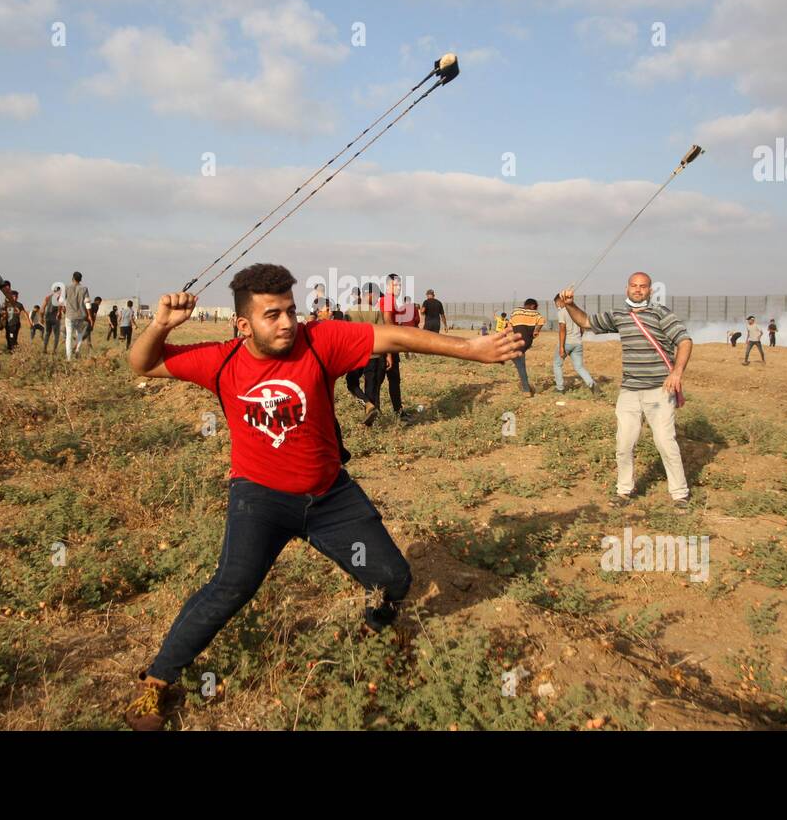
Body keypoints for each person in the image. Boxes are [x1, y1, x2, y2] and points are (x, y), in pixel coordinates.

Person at [121, 263, 524, 730]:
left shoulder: (319, 340)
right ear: (243, 324)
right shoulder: (221, 360)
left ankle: (373, 632)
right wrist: (159, 326)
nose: (288, 322)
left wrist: (470, 349)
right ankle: (157, 681)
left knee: (394, 580)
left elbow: (391, 338)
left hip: (330, 497)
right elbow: (143, 364)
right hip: (260, 499)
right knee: (231, 588)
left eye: (290, 310)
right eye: (272, 314)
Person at [558, 272, 692, 507]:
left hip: (659, 390)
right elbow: (586, 322)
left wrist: (677, 372)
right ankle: (623, 491)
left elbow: (684, 341)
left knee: (665, 442)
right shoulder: (619, 315)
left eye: (643, 286)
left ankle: (680, 495)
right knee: (624, 444)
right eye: (634, 285)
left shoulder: (661, 313)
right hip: (629, 390)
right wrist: (570, 305)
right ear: (627, 288)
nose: (638, 290)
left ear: (650, 290)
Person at [374, 274, 411, 422]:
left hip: (388, 345)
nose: (399, 288)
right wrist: (389, 351)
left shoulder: (389, 301)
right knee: (381, 380)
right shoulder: (388, 300)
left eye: (400, 285)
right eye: (396, 285)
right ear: (388, 286)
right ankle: (375, 411)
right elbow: (388, 323)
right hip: (386, 346)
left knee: (391, 379)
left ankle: (397, 411)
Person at [346, 283, 383, 413]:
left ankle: (367, 403)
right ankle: (370, 416)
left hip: (356, 355)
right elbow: (381, 334)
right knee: (371, 386)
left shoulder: (350, 312)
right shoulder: (376, 311)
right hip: (373, 355)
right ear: (371, 294)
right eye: (377, 296)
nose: (378, 299)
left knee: (351, 383)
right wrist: (387, 354)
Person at [553, 293, 596, 396]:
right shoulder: (577, 312)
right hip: (578, 343)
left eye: (556, 303)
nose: (556, 306)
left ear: (560, 301)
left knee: (557, 364)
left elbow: (562, 329)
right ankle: (592, 384)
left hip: (566, 342)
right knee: (579, 367)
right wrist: (578, 337)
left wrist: (562, 347)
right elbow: (582, 327)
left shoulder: (562, 312)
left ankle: (560, 388)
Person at [507, 299, 545, 396]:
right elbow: (541, 321)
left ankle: (526, 388)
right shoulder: (535, 313)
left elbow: (509, 326)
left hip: (518, 341)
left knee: (518, 363)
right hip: (528, 342)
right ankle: (525, 385)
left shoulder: (516, 311)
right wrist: (536, 330)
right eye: (536, 307)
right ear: (533, 305)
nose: (536, 308)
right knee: (520, 360)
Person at [63, 273, 92, 360]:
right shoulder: (84, 289)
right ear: (81, 279)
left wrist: (64, 308)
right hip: (81, 315)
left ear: (72, 278)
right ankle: (77, 349)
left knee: (68, 335)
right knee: (79, 333)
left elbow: (61, 300)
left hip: (70, 315)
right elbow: (87, 303)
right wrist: (90, 315)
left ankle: (69, 358)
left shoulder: (67, 288)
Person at [43, 283, 64, 354]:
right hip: (55, 318)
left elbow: (42, 308)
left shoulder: (47, 297)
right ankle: (54, 351)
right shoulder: (60, 298)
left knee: (47, 333)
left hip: (47, 317)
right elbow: (60, 307)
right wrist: (59, 313)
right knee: (56, 335)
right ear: (59, 291)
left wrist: (41, 318)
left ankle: (44, 349)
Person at [3, 288, 26, 352]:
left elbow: (24, 313)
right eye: (13, 296)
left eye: (16, 296)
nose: (15, 298)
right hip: (8, 324)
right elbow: (2, 313)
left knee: (13, 336)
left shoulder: (19, 305)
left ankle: (13, 349)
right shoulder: (6, 304)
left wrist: (29, 322)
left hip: (16, 324)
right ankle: (11, 348)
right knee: (9, 336)